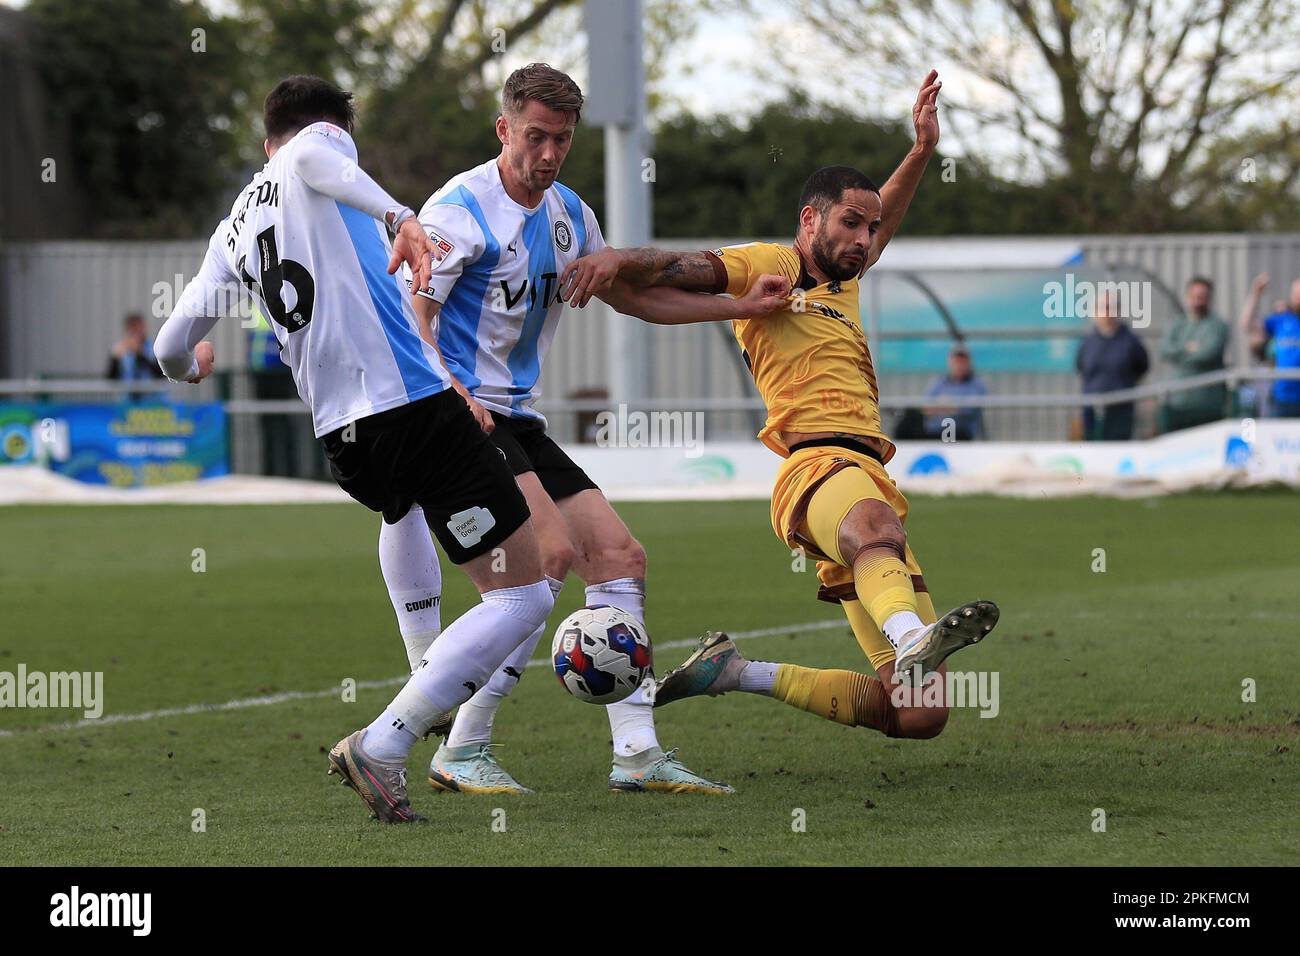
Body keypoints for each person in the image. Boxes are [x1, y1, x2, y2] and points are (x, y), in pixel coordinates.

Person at [153, 75, 558, 824]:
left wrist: (190, 369)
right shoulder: (317, 151)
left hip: (342, 438)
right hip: (409, 405)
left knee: (400, 511)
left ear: (261, 137)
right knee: (524, 594)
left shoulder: (231, 228)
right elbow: (316, 161)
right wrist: (401, 215)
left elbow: (170, 345)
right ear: (333, 126)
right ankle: (387, 737)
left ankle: (422, 669)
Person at [560, 71, 1001, 749]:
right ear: (809, 220)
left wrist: (919, 152)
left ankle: (734, 671)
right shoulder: (776, 264)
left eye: (870, 227)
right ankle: (911, 636)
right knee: (874, 526)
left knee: (919, 713)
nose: (863, 238)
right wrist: (616, 257)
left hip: (861, 471)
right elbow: (682, 266)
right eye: (850, 222)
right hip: (817, 466)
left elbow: (887, 215)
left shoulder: (844, 280)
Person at [385, 63, 787, 795]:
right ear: (504, 129)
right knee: (549, 556)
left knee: (618, 555)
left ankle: (636, 753)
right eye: (534, 137)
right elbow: (411, 322)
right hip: (461, 416)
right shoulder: (455, 211)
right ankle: (461, 746)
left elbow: (636, 298)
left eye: (561, 140)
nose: (547, 154)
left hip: (520, 417)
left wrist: (742, 308)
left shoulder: (570, 213)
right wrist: (453, 392)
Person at [1075, 290, 1149, 440]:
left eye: (1111, 307)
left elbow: (1142, 366)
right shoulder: (1087, 341)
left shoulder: (1130, 341)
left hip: (1121, 409)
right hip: (1092, 411)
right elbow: (1080, 366)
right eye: (1103, 307)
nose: (1107, 312)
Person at [1159, 277, 1228, 432]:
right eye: (1195, 297)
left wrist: (1179, 352)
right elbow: (1164, 350)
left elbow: (1208, 353)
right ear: (1188, 297)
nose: (1198, 301)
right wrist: (1188, 348)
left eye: (1202, 297)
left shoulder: (1217, 326)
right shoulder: (1177, 324)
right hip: (1177, 403)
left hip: (1207, 405)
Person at [1240, 273, 1300, 418]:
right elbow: (1247, 324)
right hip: (1282, 398)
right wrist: (1255, 294)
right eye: (1296, 294)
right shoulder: (1282, 320)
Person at [921, 344, 987, 440]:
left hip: (960, 433)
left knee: (949, 434)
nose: (959, 365)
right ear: (950, 362)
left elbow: (968, 409)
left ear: (969, 363)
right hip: (934, 432)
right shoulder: (939, 382)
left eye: (962, 361)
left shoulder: (977, 384)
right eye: (956, 361)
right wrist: (951, 406)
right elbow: (925, 407)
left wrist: (941, 405)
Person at [105, 313, 164, 387]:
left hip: (153, 396)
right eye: (133, 328)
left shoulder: (154, 347)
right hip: (128, 397)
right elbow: (111, 379)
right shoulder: (121, 349)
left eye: (139, 327)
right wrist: (114, 360)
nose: (137, 332)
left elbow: (161, 374)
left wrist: (140, 354)